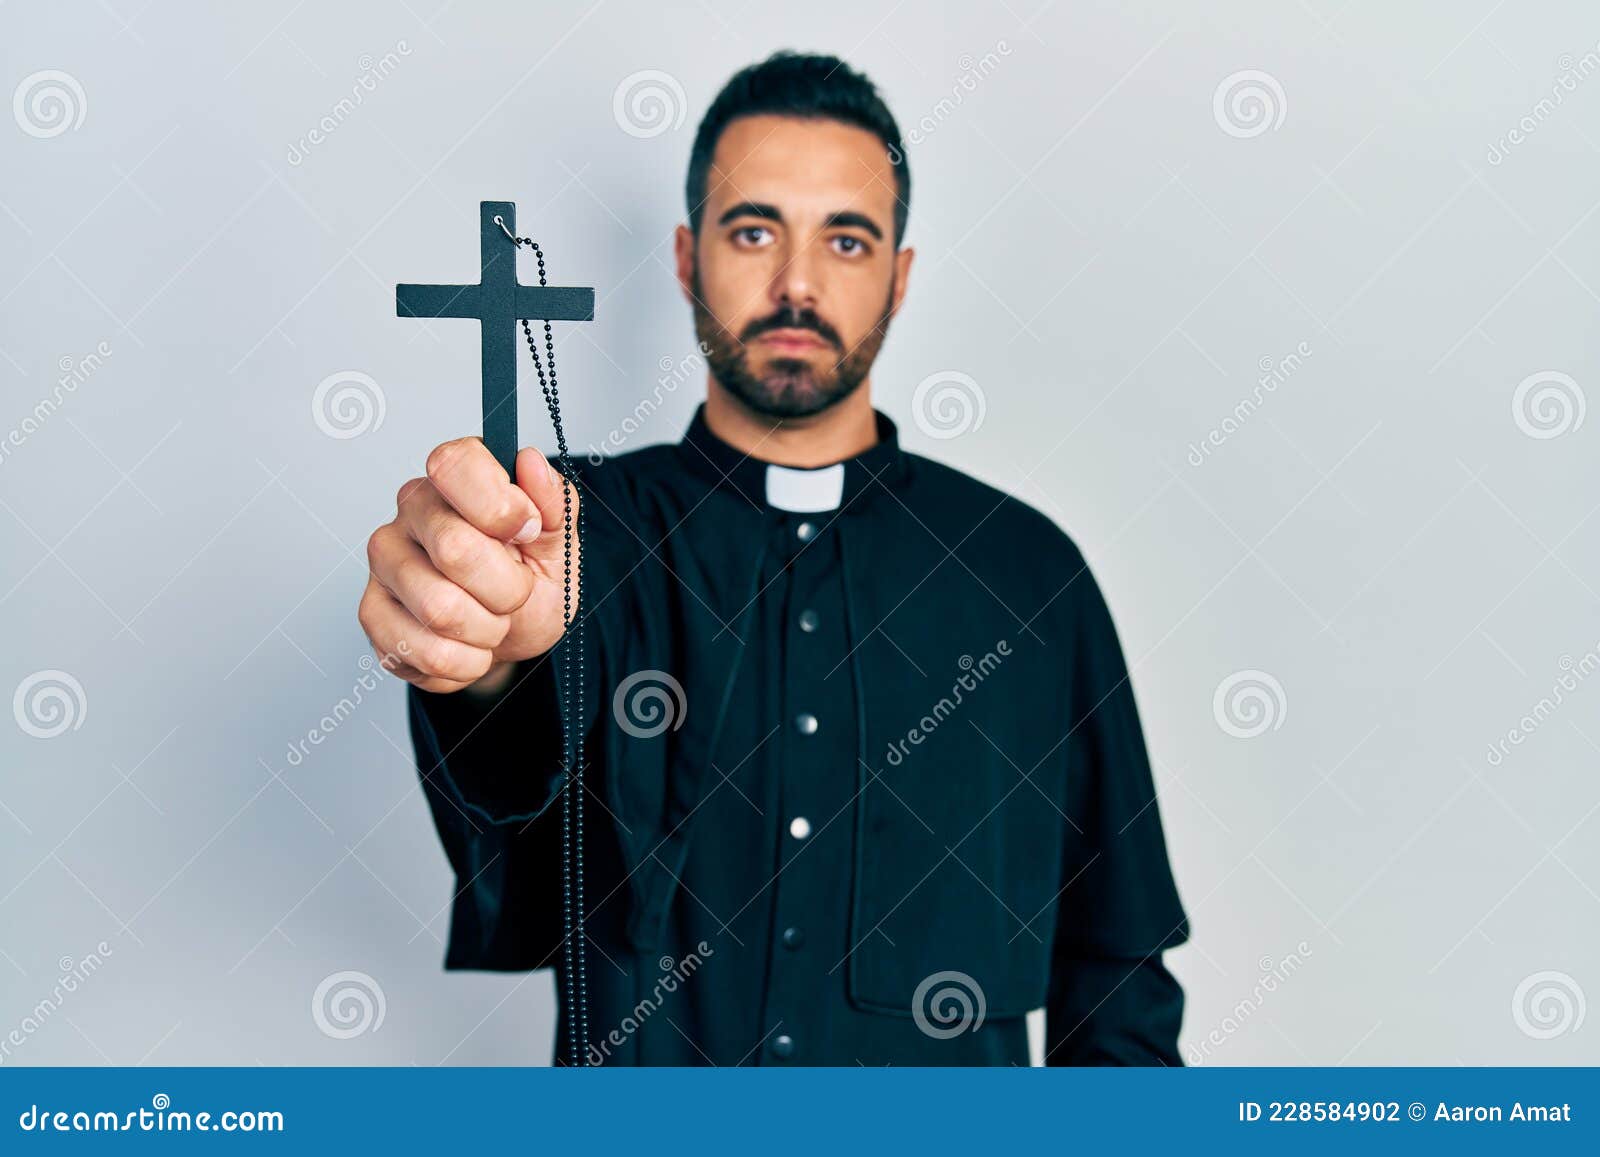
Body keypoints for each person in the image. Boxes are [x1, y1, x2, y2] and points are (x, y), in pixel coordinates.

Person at [358, 50, 1189, 1066]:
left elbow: (1117, 972)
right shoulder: (564, 533)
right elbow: (520, 858)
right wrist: (483, 668)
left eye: (846, 238)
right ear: (683, 255)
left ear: (900, 274)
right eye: (754, 231)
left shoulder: (1024, 575)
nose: (796, 284)